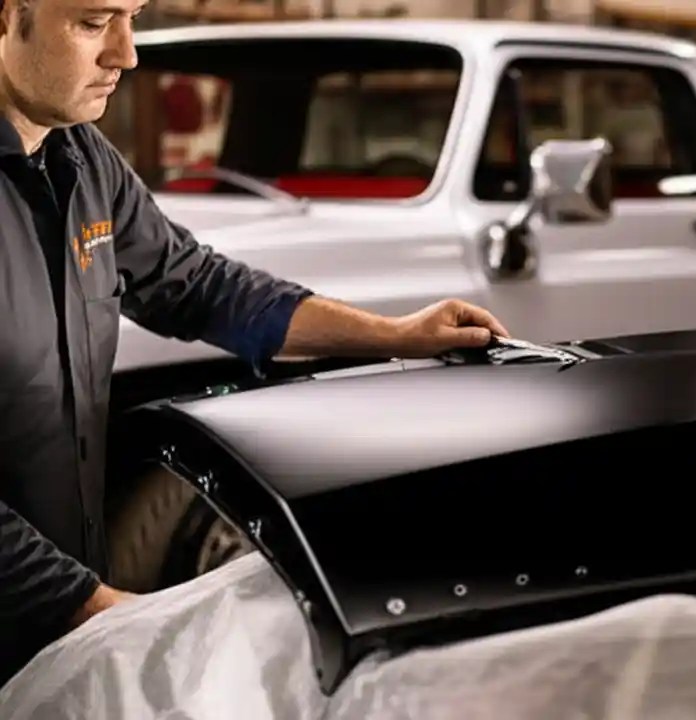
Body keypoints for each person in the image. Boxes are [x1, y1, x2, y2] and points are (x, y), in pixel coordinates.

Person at [0, 0, 510, 685]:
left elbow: (200, 287)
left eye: (133, 18)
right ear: (8, 17)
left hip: (56, 634)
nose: (126, 54)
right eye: (95, 23)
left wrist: (395, 335)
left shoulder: (82, 161)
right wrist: (85, 604)